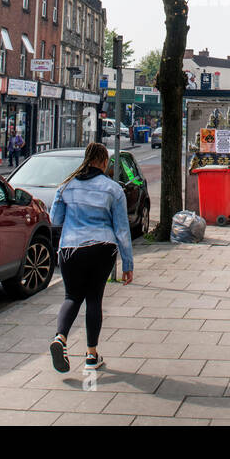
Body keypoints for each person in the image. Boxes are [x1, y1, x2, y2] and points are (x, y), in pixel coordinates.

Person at [49, 141, 134, 373]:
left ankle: (61, 338)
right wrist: (127, 263)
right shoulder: (113, 189)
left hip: (70, 249)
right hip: (101, 248)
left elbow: (55, 220)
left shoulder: (66, 186)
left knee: (72, 297)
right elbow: (122, 230)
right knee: (94, 299)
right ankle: (91, 355)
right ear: (104, 162)